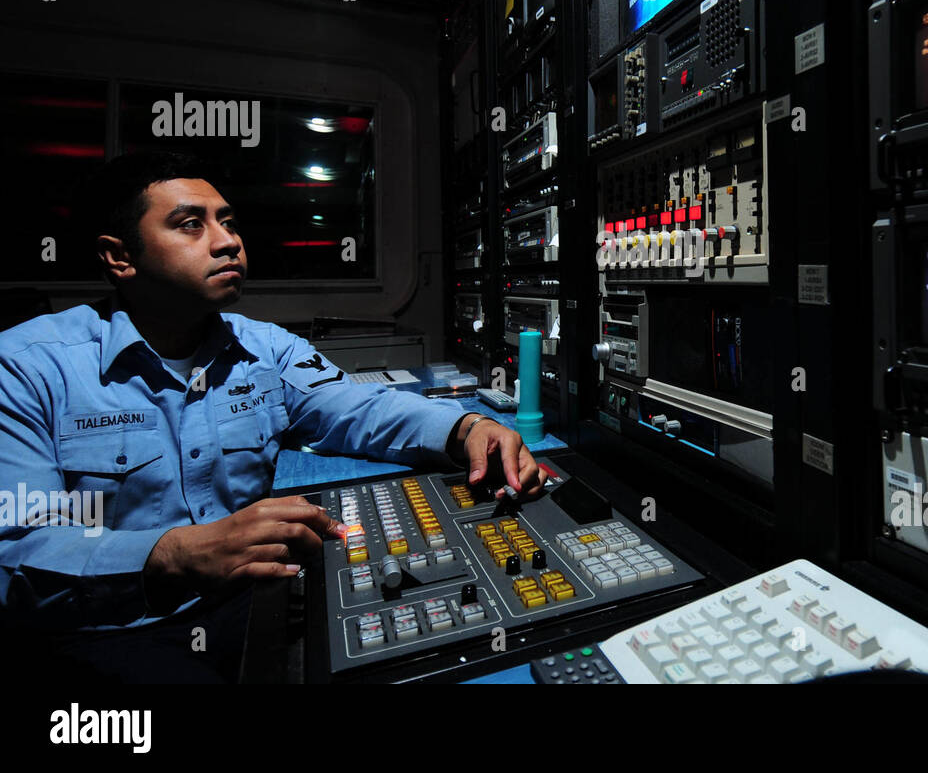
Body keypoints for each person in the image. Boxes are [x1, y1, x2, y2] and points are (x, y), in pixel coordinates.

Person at [0, 151, 545, 680]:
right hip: (109, 630)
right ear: (120, 257)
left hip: (255, 600)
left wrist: (466, 427)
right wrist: (171, 554)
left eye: (228, 223)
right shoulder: (26, 368)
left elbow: (357, 407)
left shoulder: (267, 348)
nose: (228, 241)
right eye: (191, 225)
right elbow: (15, 553)